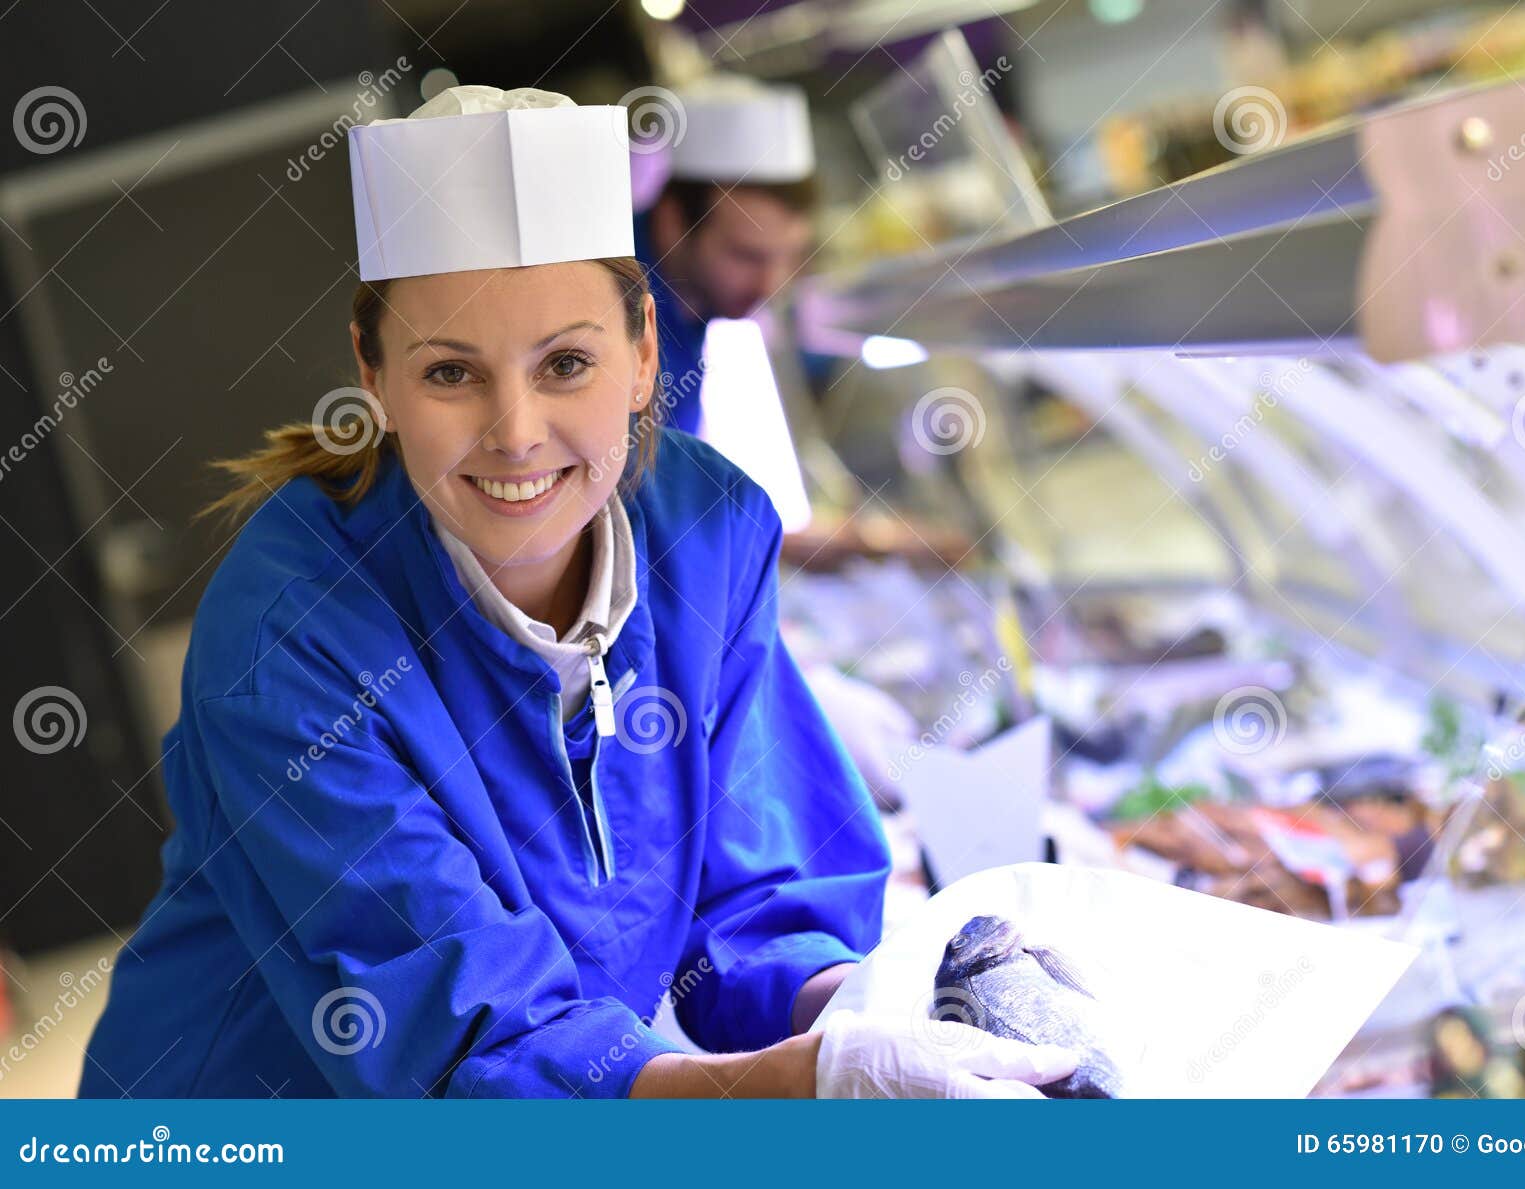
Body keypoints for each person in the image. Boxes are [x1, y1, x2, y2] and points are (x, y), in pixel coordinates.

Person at [78, 86, 1075, 1099]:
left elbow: (755, 898)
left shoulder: (705, 534)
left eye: (565, 362)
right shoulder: (289, 633)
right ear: (372, 374)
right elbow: (468, 1040)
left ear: (643, 353)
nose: (514, 432)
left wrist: (888, 1003)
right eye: (450, 374)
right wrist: (796, 1083)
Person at [637, 75, 817, 436]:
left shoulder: (694, 304)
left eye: (789, 257)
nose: (772, 285)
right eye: (747, 256)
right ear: (673, 221)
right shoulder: (618, 315)